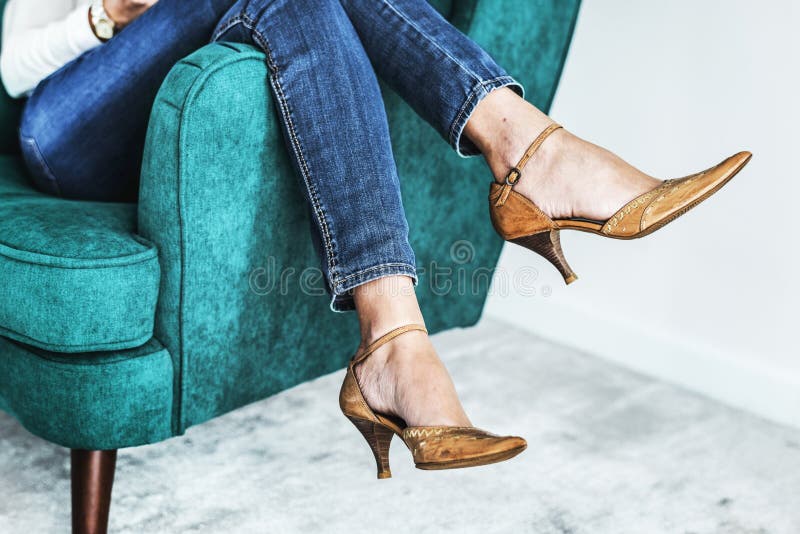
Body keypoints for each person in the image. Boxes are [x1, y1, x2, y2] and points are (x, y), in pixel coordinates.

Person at [0, 0, 750, 478]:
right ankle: (529, 152)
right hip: (64, 124)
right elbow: (9, 67)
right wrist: (102, 16)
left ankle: (394, 335)